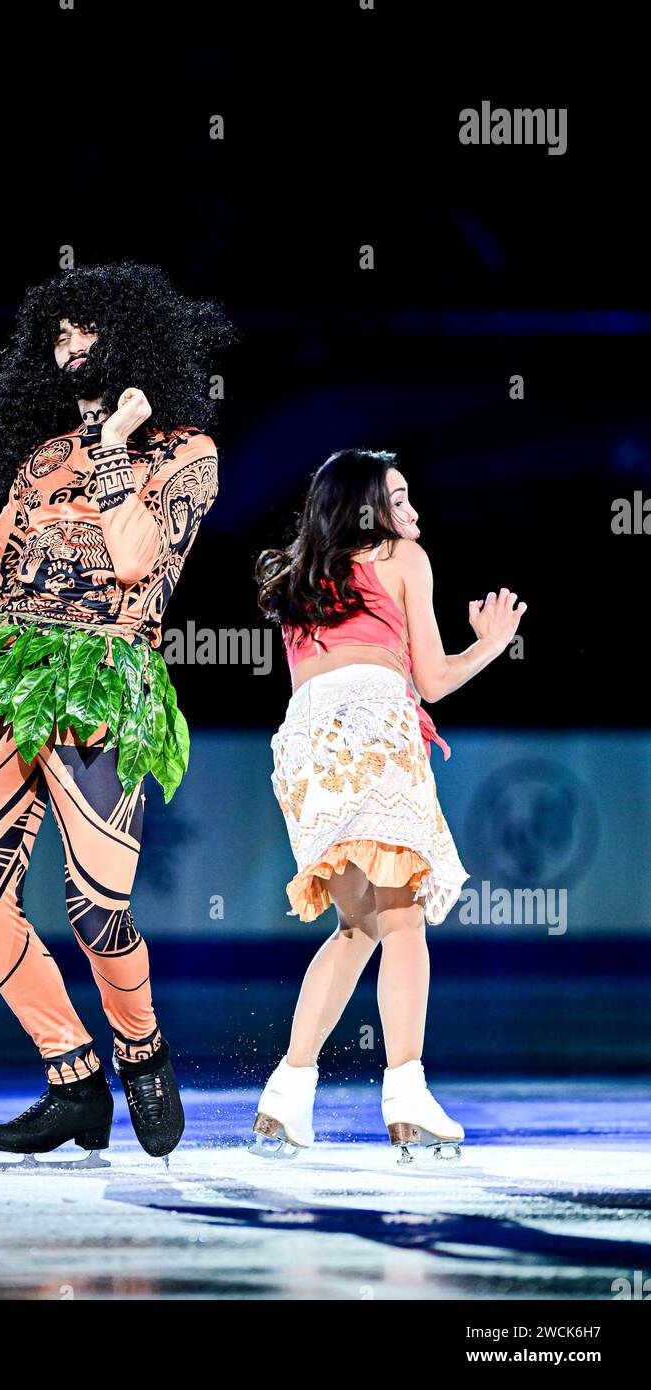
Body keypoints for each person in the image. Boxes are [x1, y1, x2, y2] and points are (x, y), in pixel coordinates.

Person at [0, 263, 234, 1163]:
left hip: (104, 679)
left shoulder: (186, 453)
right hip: (11, 678)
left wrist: (122, 444)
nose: (68, 348)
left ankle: (141, 1050)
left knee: (98, 908)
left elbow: (135, 561)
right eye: (56, 336)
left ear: (130, 343)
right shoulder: (43, 459)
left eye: (84, 331)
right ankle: (72, 1077)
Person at [251, 448, 526, 1162]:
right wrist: (491, 645)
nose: (413, 515)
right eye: (399, 500)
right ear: (369, 507)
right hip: (369, 725)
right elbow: (429, 681)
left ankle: (287, 1093)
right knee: (403, 921)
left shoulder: (295, 578)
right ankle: (407, 1093)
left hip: (305, 745)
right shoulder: (403, 557)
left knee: (358, 925)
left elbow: (318, 683)